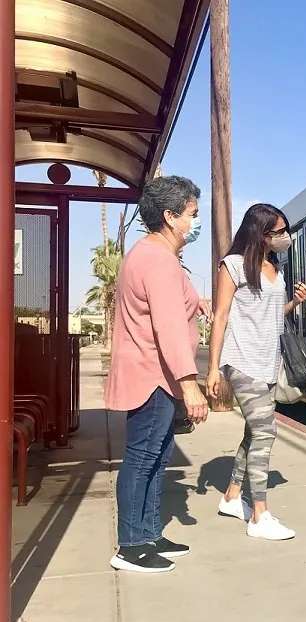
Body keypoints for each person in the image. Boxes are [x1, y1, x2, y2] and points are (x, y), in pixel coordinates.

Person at [106, 175, 210, 573]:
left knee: (157, 456)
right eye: (192, 214)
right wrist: (191, 386)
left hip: (156, 376)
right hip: (153, 376)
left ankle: (149, 532)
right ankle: (130, 545)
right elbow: (166, 325)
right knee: (143, 458)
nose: (195, 222)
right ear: (170, 216)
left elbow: (170, 306)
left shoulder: (154, 256)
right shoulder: (158, 260)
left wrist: (198, 303)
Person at [207, 203, 306, 540]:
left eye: (284, 231)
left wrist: (294, 303)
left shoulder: (274, 268)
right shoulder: (233, 266)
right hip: (242, 361)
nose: (285, 237)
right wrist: (213, 368)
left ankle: (233, 496)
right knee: (266, 432)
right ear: (259, 233)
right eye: (278, 232)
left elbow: (272, 316)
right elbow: (220, 317)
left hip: (269, 362)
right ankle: (260, 516)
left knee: (254, 433)